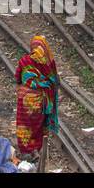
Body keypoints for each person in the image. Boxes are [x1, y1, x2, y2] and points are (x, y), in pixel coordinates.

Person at [14, 35, 60, 170]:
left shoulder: (24, 61)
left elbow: (17, 77)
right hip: (40, 99)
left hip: (24, 98)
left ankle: (25, 151)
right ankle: (36, 150)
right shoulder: (48, 63)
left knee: (24, 124)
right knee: (37, 125)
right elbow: (54, 80)